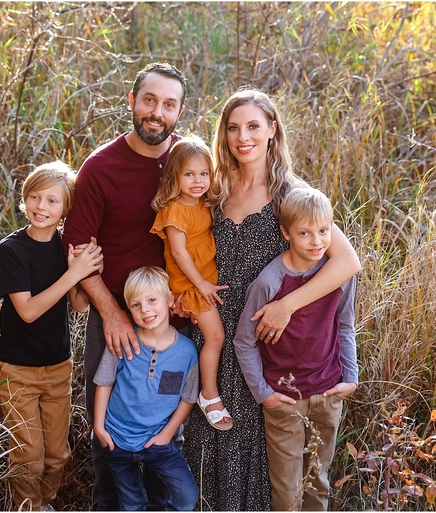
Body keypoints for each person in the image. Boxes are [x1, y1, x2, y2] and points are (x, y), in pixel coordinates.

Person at [182, 87, 362, 511]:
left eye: (253, 127)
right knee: (215, 434)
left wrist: (287, 305)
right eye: (232, 128)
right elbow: (184, 246)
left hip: (266, 338)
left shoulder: (290, 193)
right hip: (214, 333)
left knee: (269, 447)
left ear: (271, 130)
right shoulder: (214, 188)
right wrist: (182, 295)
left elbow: (347, 262)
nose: (242, 137)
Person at [61, 62, 188, 510]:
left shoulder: (186, 162)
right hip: (115, 318)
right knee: (113, 432)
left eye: (169, 105)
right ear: (132, 102)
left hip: (175, 321)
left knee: (167, 427)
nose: (157, 112)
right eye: (149, 100)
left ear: (180, 112)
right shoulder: (101, 167)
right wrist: (111, 313)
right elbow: (76, 245)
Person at [233, 187, 358, 511]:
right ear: (285, 232)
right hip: (285, 401)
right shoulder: (269, 283)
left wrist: (351, 378)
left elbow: (344, 325)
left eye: (323, 231)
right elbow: (244, 341)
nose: (317, 241)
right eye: (305, 233)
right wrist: (264, 393)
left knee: (318, 482)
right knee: (287, 492)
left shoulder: (337, 277)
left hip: (327, 393)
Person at [0, 161, 103, 511]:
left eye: (53, 201)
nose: (42, 207)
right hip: (17, 369)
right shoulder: (11, 251)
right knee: (29, 456)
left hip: (58, 366)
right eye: (35, 197)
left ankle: (45, 502)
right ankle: (27, 506)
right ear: (24, 200)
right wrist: (74, 275)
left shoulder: (65, 247)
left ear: (66, 208)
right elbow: (27, 311)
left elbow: (79, 306)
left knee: (57, 455)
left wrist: (86, 270)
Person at [93, 266, 200, 511]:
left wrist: (166, 436)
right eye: (136, 305)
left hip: (158, 441)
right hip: (117, 440)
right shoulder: (124, 341)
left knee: (187, 497)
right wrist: (99, 427)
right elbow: (104, 381)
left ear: (170, 299)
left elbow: (188, 398)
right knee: (133, 504)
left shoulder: (186, 351)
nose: (145, 310)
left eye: (152, 300)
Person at [150, 136, 232, 431]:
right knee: (216, 337)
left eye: (204, 174)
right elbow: (179, 253)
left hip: (204, 281)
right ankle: (208, 394)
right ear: (175, 176)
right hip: (191, 285)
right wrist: (201, 286)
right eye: (189, 174)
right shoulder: (175, 211)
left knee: (210, 338)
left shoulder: (203, 204)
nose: (198, 181)